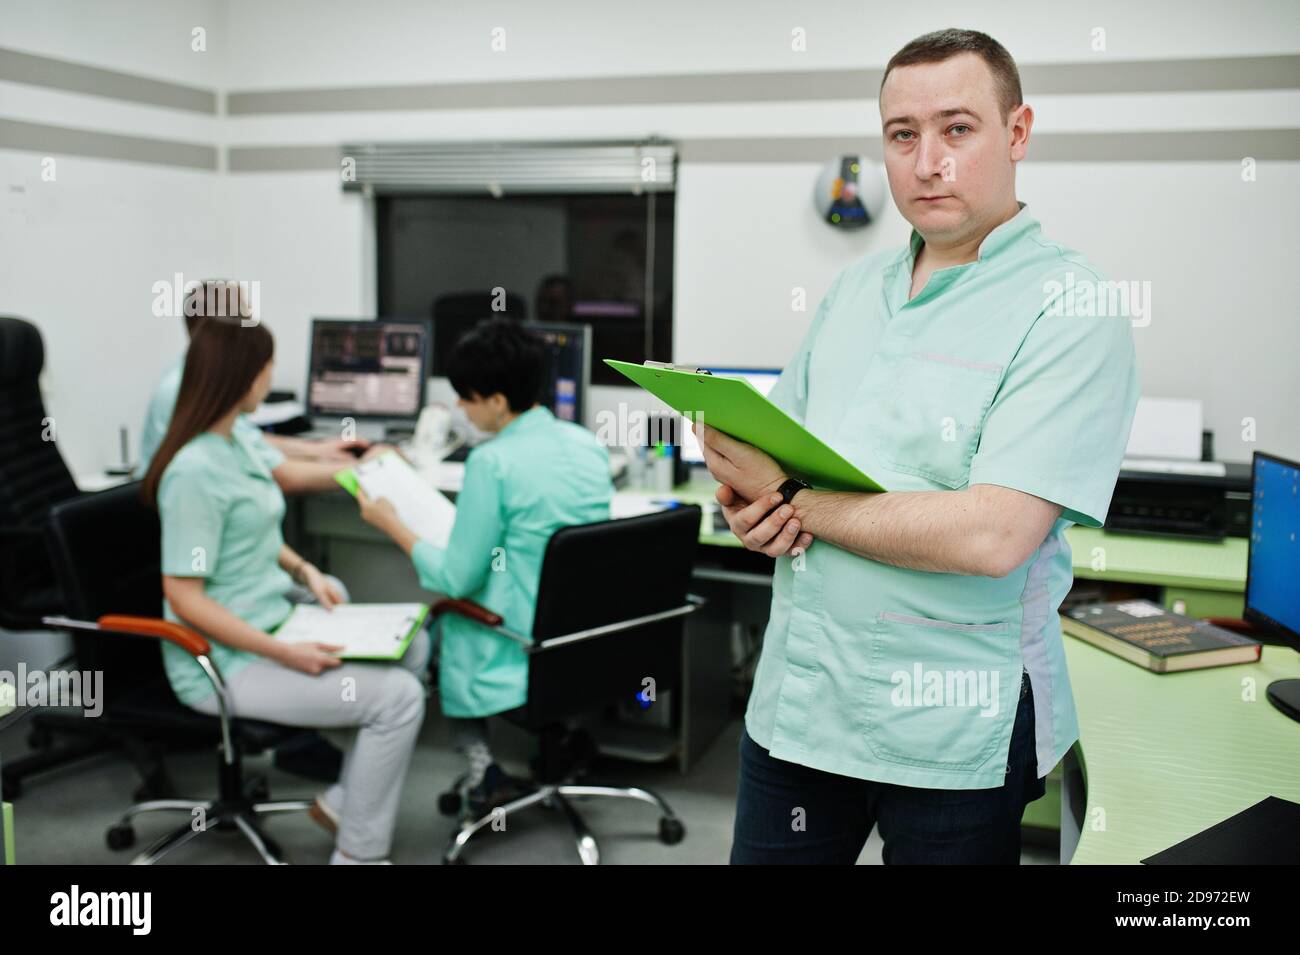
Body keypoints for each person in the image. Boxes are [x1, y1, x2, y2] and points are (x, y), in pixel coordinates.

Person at [696, 29, 1140, 864]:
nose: (926, 160)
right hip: (801, 703)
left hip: (953, 733)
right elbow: (773, 455)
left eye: (957, 129)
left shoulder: (1070, 306)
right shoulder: (856, 287)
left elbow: (992, 535)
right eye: (903, 135)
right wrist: (752, 504)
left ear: (1017, 132)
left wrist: (796, 502)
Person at [142, 314, 428, 865]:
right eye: (267, 366)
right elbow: (185, 598)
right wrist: (285, 654)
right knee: (399, 698)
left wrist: (304, 570)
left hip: (272, 616)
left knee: (414, 645)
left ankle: (347, 800)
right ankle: (358, 856)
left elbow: (249, 530)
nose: (272, 375)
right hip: (223, 661)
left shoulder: (235, 444)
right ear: (244, 376)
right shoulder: (193, 472)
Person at [357, 318, 613, 816]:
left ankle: (482, 768)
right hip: (586, 641)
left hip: (521, 640)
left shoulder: (491, 462)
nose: (458, 407)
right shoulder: (586, 443)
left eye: (465, 397)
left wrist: (392, 524)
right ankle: (560, 742)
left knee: (443, 619)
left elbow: (456, 579)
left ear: (496, 401)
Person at [138, 278, 391, 491]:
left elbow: (248, 440)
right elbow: (284, 476)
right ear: (224, 332)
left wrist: (314, 449)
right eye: (246, 318)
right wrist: (367, 469)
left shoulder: (197, 378)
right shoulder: (185, 389)